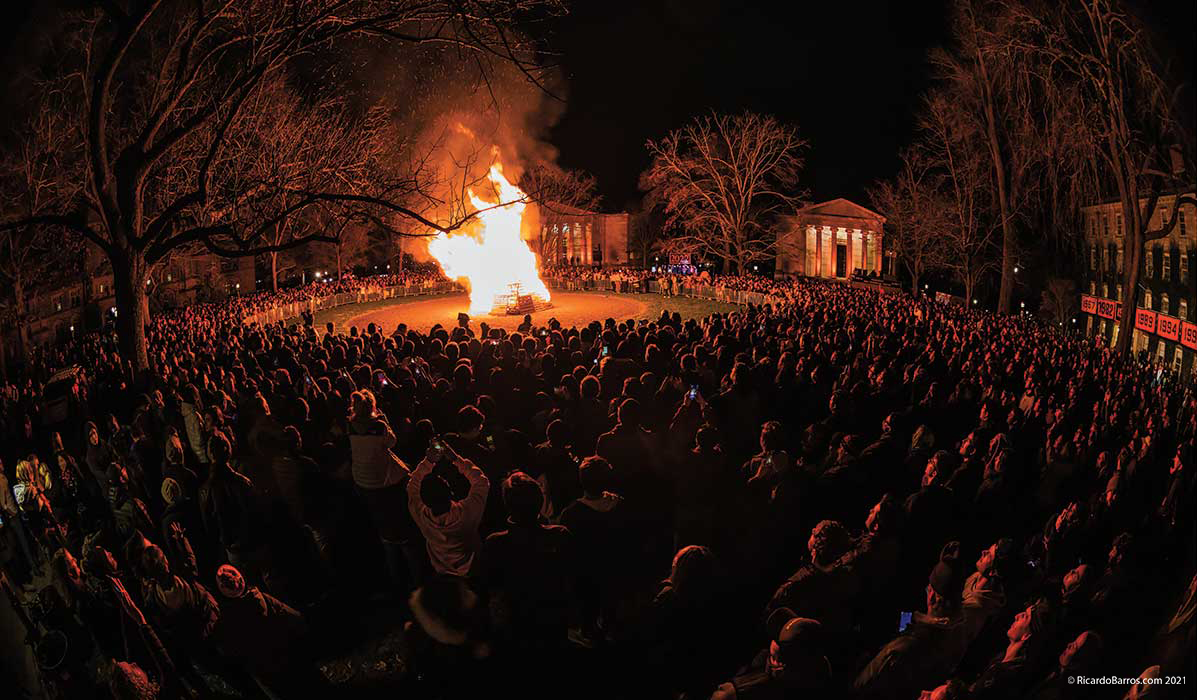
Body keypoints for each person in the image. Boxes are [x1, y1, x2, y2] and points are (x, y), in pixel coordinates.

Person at [407, 439, 489, 577]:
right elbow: (481, 481)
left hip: (440, 568)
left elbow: (412, 485)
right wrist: (455, 459)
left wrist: (429, 461)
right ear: (451, 492)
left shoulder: (419, 513)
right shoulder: (467, 512)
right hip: (471, 565)